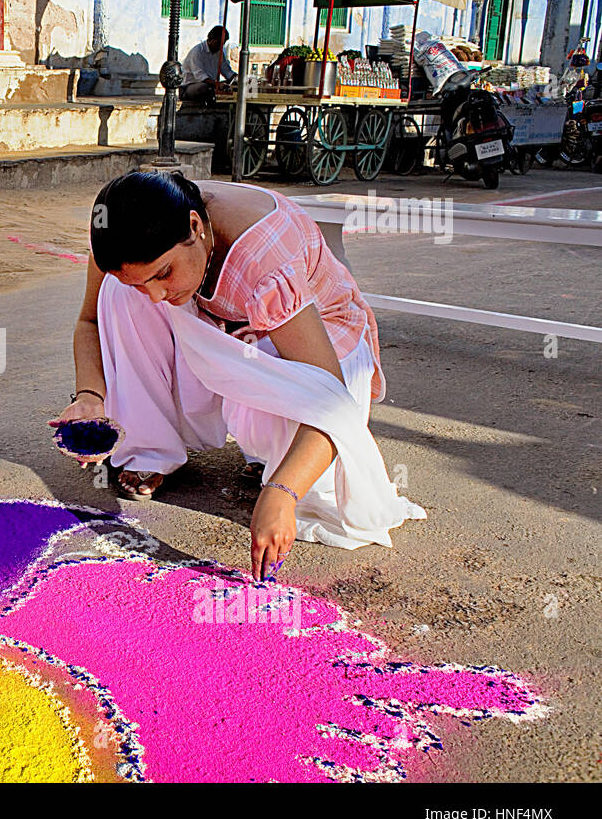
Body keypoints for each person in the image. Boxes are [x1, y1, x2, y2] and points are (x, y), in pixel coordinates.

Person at [51, 172, 424, 580]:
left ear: (195, 226)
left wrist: (282, 492)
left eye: (163, 274)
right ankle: (151, 447)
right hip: (228, 333)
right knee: (121, 293)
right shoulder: (125, 230)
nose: (156, 296)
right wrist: (90, 396)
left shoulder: (261, 258)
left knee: (306, 480)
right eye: (146, 282)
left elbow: (332, 402)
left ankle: (263, 455)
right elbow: (90, 320)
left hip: (318, 338)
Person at [181, 25, 235, 103]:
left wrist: (236, 78)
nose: (220, 46)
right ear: (211, 40)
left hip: (211, 85)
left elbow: (226, 71)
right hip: (189, 87)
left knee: (230, 85)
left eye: (222, 44)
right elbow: (200, 76)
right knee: (204, 87)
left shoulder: (219, 53)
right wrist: (217, 84)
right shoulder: (197, 52)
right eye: (218, 43)